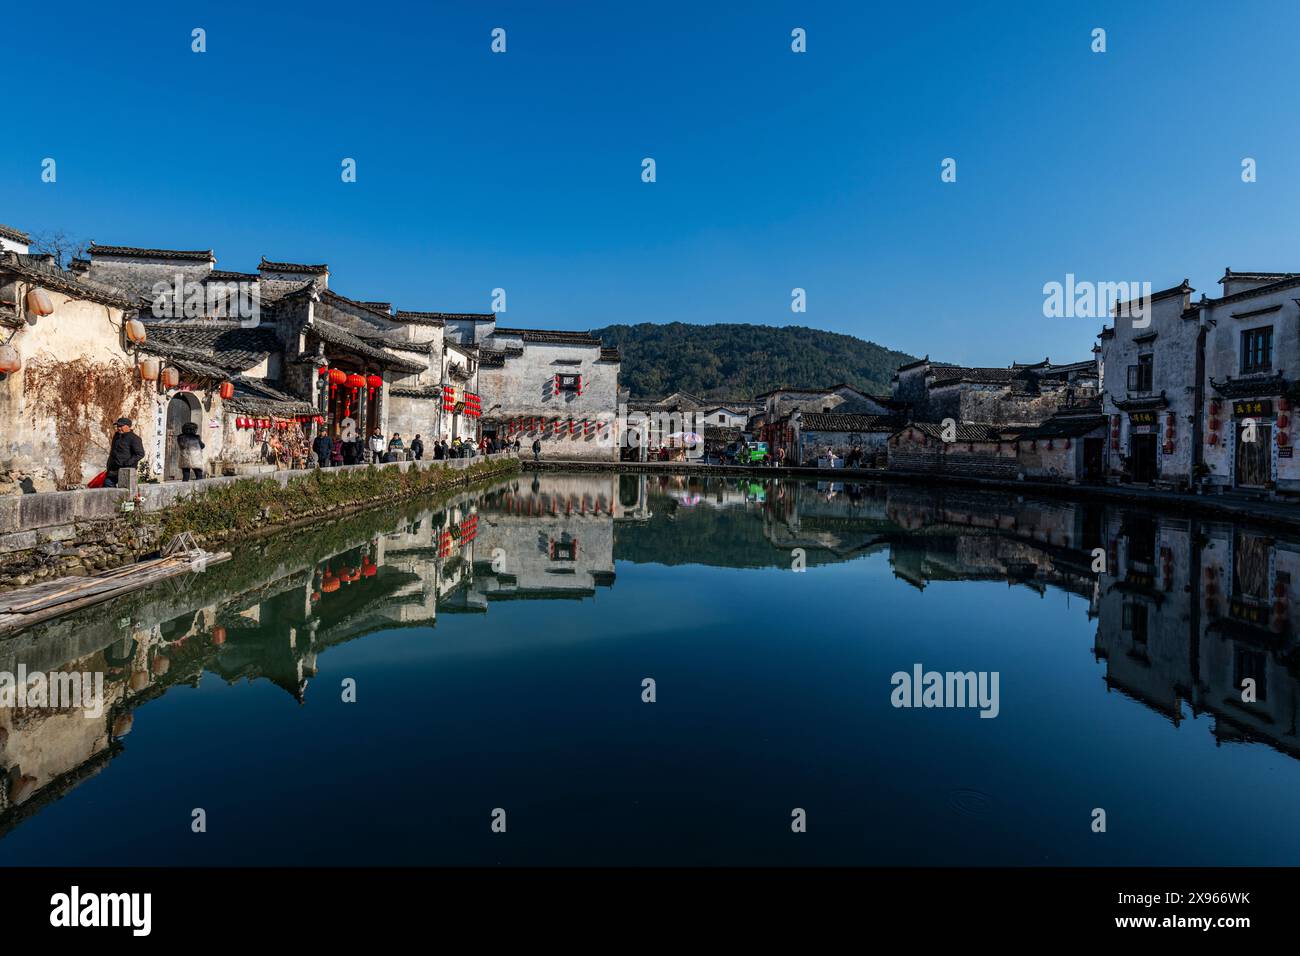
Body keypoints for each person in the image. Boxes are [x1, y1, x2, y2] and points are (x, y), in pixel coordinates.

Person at [104, 417, 144, 488]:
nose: (118, 428)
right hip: (113, 469)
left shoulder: (134, 438)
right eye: (118, 426)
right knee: (108, 485)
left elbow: (140, 454)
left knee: (125, 489)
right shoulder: (116, 436)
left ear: (128, 426)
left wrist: (127, 463)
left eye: (121, 426)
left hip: (126, 469)